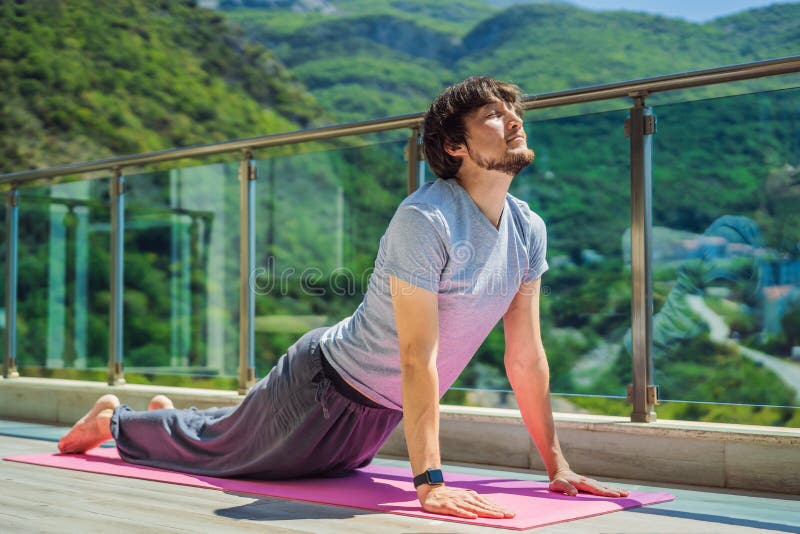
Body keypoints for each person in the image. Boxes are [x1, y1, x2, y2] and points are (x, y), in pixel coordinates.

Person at [59, 76, 628, 520]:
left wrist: (559, 465)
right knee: (229, 460)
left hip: (379, 413)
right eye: (493, 115)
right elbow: (416, 357)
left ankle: (180, 420)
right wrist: (430, 484)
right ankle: (116, 418)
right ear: (455, 145)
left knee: (257, 449)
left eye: (513, 110)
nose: (514, 120)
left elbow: (525, 357)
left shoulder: (528, 228)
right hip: (323, 385)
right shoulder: (424, 219)